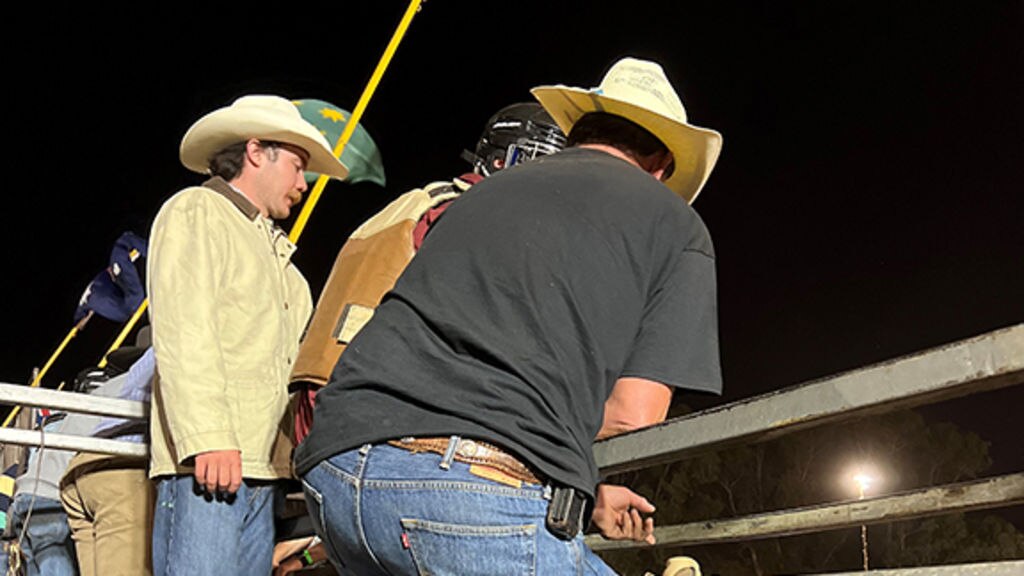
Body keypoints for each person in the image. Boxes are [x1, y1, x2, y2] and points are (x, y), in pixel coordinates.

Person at [294, 55, 724, 575]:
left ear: (580, 131)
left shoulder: (475, 194)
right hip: (465, 485)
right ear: (661, 165)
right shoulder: (677, 225)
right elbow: (633, 417)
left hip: (334, 472)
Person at [146, 94, 348, 576]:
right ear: (257, 152)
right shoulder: (197, 211)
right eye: (298, 166)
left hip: (266, 469)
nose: (303, 183)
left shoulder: (287, 266)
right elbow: (184, 329)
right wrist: (209, 437)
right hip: (209, 466)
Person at [287, 101, 566, 444]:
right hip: (372, 411)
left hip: (333, 394)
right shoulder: (469, 214)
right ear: (499, 160)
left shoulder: (427, 199)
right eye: (539, 162)